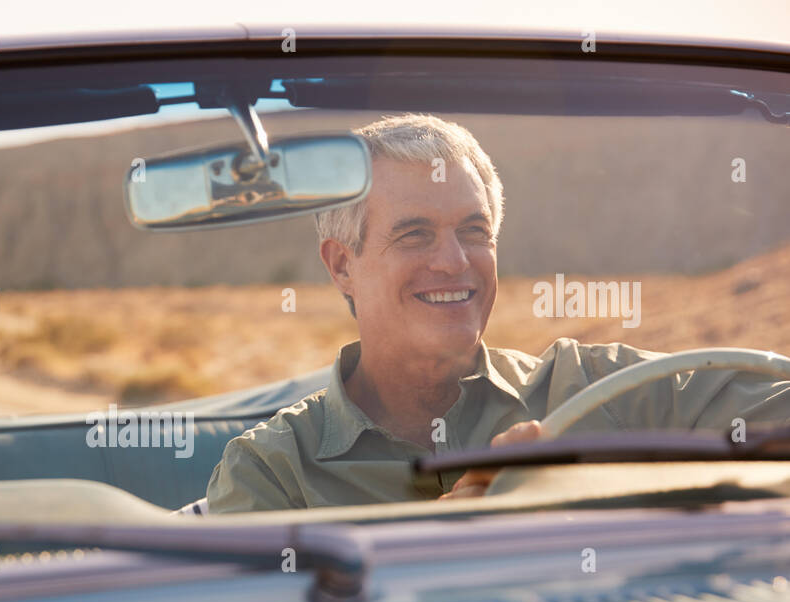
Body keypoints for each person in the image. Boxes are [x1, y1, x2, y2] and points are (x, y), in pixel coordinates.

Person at [206, 113, 790, 513]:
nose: (454, 261)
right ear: (341, 266)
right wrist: (450, 535)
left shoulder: (602, 392)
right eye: (414, 235)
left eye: (473, 231)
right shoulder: (273, 472)